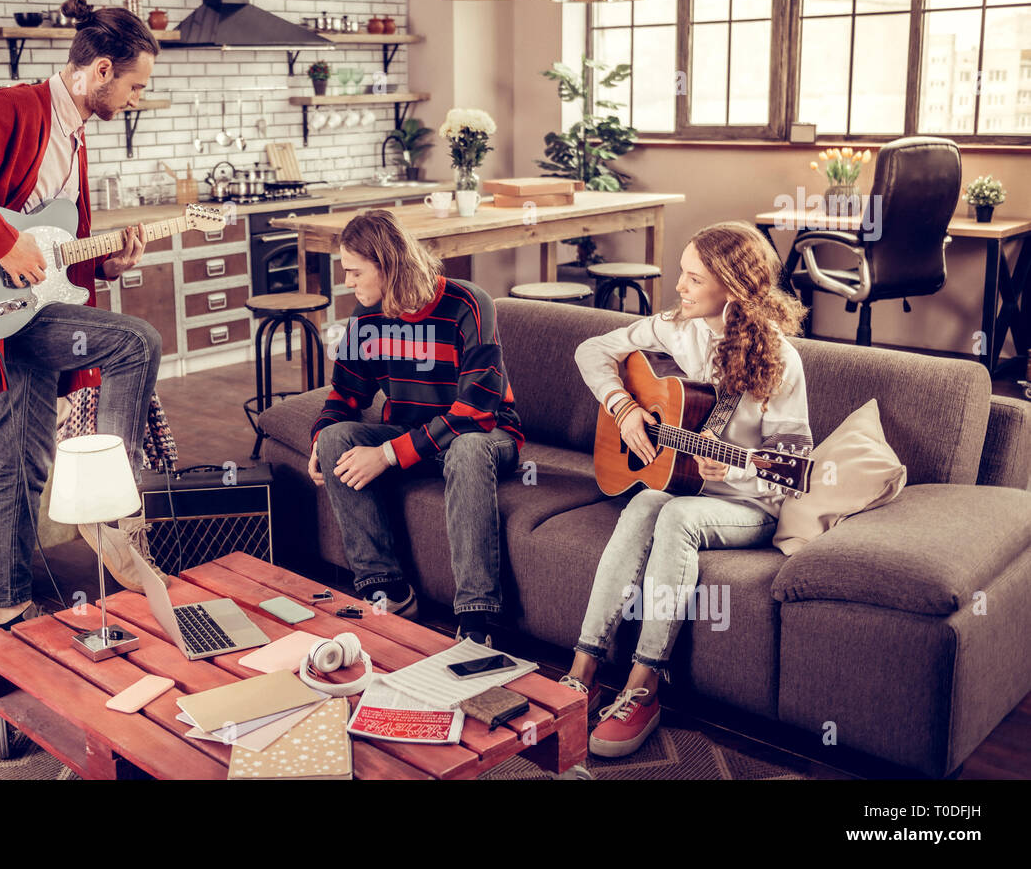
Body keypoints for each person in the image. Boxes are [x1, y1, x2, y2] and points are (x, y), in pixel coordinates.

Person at [0, 0, 162, 632]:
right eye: (135, 85)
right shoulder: (23, 107)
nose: (137, 98)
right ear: (101, 71)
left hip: (27, 309)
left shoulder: (74, 135)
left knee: (23, 462)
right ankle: (112, 508)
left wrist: (104, 266)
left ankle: (10, 606)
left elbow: (49, 246)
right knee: (137, 343)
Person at [562, 221, 812, 757]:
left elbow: (793, 466)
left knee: (675, 516)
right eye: (682, 273)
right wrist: (625, 408)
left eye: (693, 279)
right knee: (646, 501)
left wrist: (734, 471)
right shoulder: (680, 327)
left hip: (751, 504)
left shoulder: (781, 360)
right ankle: (583, 670)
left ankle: (644, 684)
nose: (679, 286)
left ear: (732, 287)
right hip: (690, 490)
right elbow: (591, 351)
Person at [308, 210, 524, 646]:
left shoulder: (468, 303)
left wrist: (387, 454)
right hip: (415, 436)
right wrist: (320, 438)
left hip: (487, 438)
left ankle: (477, 624)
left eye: (354, 272)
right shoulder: (367, 316)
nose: (347, 282)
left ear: (386, 265)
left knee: (465, 447)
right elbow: (346, 395)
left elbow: (475, 411)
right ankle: (388, 592)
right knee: (336, 439)